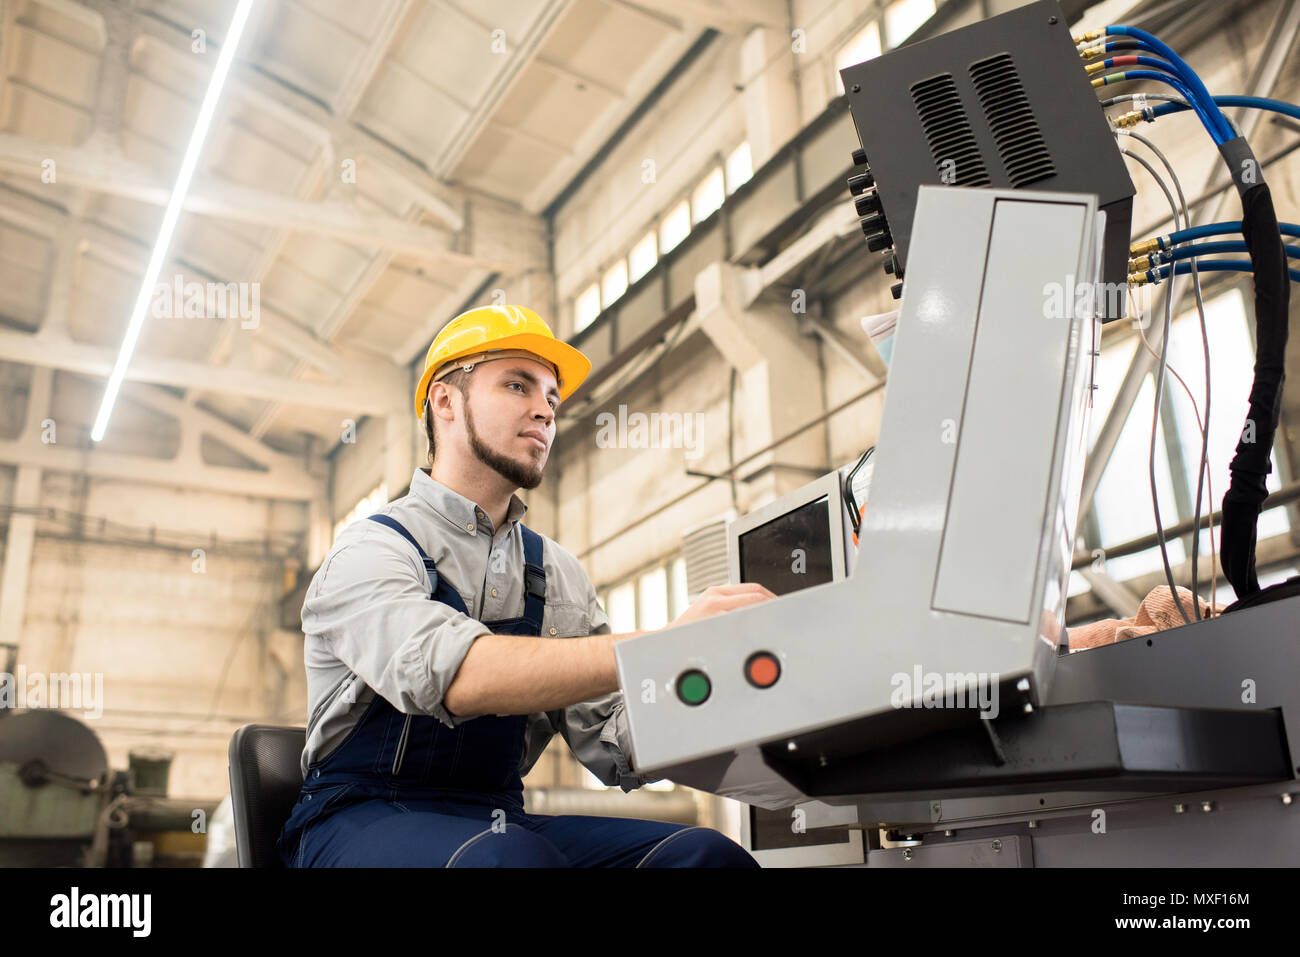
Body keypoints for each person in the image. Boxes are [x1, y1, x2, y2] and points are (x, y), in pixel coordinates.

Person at [278, 304, 775, 867]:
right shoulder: (372, 550)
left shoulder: (556, 572)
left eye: (553, 399)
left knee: (703, 856)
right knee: (508, 861)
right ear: (445, 401)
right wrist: (667, 647)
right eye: (517, 385)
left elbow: (614, 742)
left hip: (497, 817)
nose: (544, 411)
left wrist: (728, 679)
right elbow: (457, 676)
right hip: (356, 818)